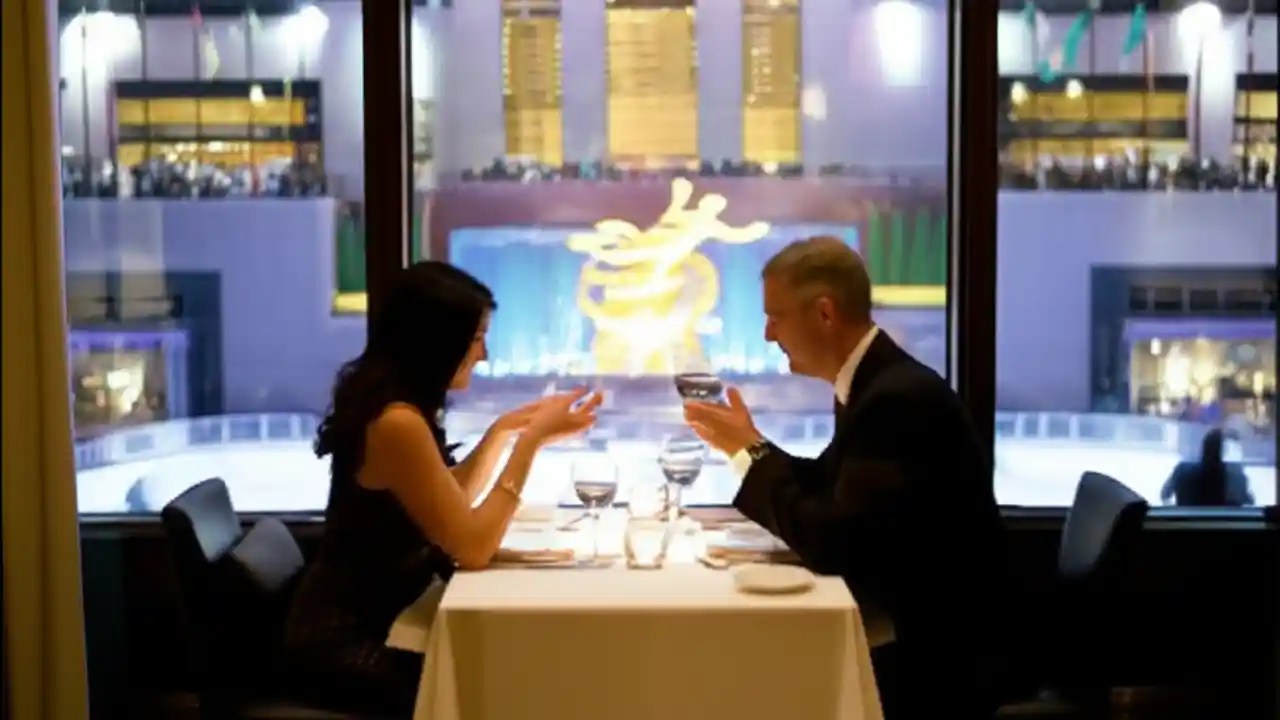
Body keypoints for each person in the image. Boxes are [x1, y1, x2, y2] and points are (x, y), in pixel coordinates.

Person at [683, 237, 1009, 718]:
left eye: (775, 316)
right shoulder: (875, 380)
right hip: (921, 628)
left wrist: (749, 451)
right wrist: (748, 446)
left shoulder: (893, 398)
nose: (769, 334)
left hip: (935, 660)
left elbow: (836, 543)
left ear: (825, 314)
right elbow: (827, 485)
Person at [282, 261, 602, 716]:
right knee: (513, 682)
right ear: (436, 340)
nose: (484, 354)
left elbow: (446, 503)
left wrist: (504, 430)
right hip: (348, 641)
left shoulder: (399, 409)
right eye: (475, 338)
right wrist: (528, 446)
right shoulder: (396, 423)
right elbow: (471, 546)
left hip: (383, 616)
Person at [1160, 428, 1254, 507]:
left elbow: (1165, 495)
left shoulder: (1182, 470)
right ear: (1223, 453)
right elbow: (1250, 502)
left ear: (1203, 449)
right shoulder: (1235, 477)